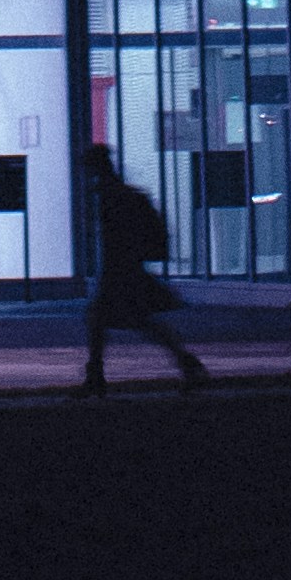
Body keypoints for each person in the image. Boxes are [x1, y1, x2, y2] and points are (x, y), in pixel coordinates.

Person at [81, 141, 205, 392]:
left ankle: (96, 377)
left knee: (110, 321)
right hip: (128, 269)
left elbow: (112, 240)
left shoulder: (109, 196)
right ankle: (186, 363)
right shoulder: (118, 193)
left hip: (119, 272)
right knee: (134, 322)